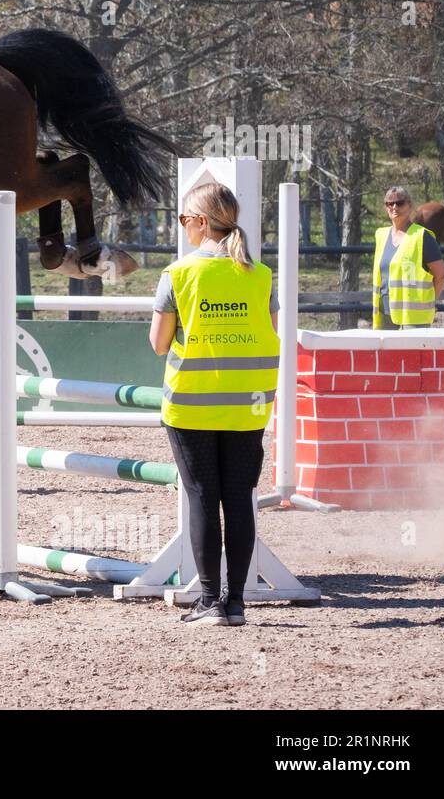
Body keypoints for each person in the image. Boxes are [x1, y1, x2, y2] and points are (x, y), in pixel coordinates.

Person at [149, 183, 279, 627]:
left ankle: (208, 602)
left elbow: (158, 343)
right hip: (248, 404)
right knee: (238, 499)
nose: (183, 227)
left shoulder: (179, 274)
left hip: (193, 405)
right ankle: (237, 602)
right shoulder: (260, 275)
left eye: (185, 219)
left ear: (202, 222)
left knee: (203, 499)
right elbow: (270, 331)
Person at [374, 186, 444, 329]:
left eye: (399, 203)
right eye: (389, 203)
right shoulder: (381, 235)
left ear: (410, 205)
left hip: (414, 319)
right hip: (385, 315)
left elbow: (441, 275)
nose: (394, 207)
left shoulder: (422, 236)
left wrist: (428, 302)